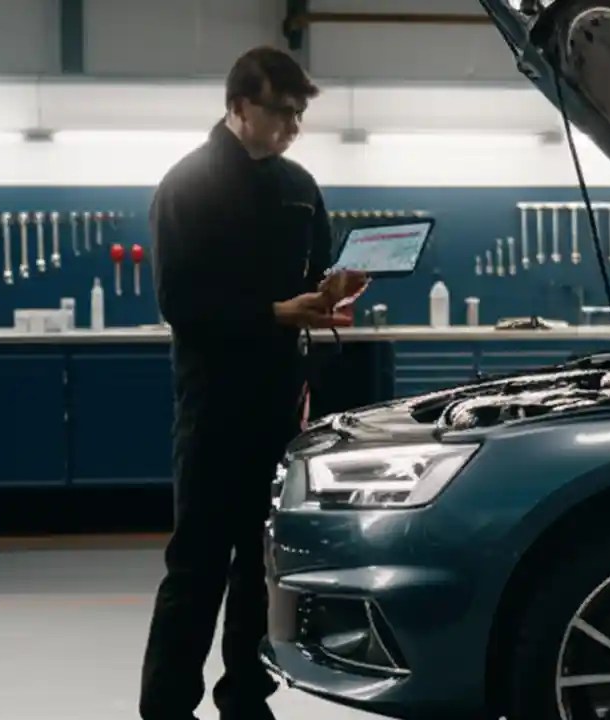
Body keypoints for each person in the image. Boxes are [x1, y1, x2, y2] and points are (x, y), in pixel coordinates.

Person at [139, 46, 367, 720]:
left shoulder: (299, 186)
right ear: (239, 106)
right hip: (213, 405)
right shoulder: (186, 187)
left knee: (258, 569)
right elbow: (180, 302)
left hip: (277, 402)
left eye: (300, 115)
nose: (293, 126)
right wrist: (273, 313)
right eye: (282, 112)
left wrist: (333, 289)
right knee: (198, 565)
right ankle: (167, 707)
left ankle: (245, 697)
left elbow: (314, 276)